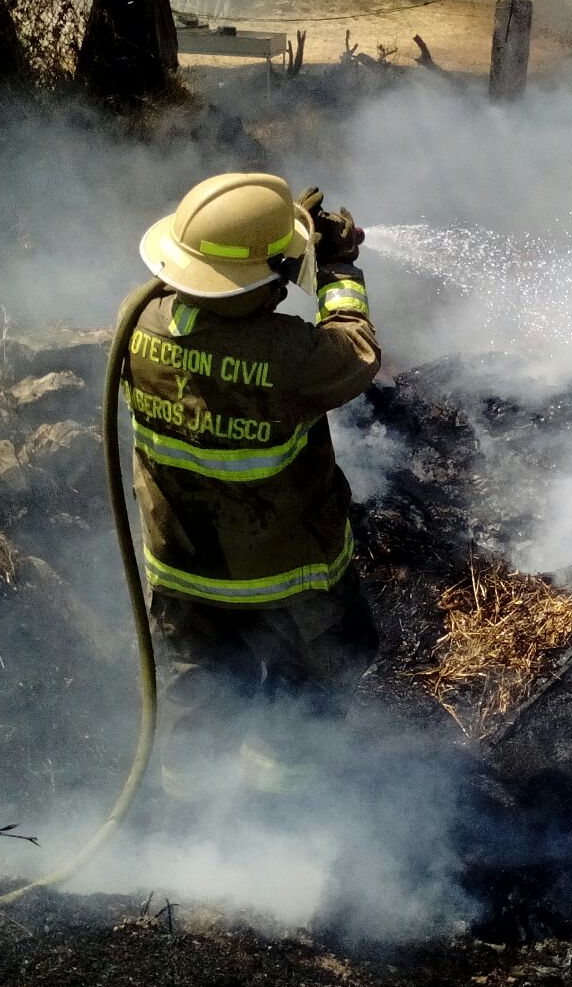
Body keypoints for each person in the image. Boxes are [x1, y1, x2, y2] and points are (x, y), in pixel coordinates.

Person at [124, 172, 380, 800]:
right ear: (270, 272)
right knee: (315, 677)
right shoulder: (291, 355)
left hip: (181, 567)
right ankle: (281, 802)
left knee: (201, 686)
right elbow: (356, 348)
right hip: (286, 576)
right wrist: (337, 268)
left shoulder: (137, 322)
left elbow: (211, 312)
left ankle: (187, 806)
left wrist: (278, 245)